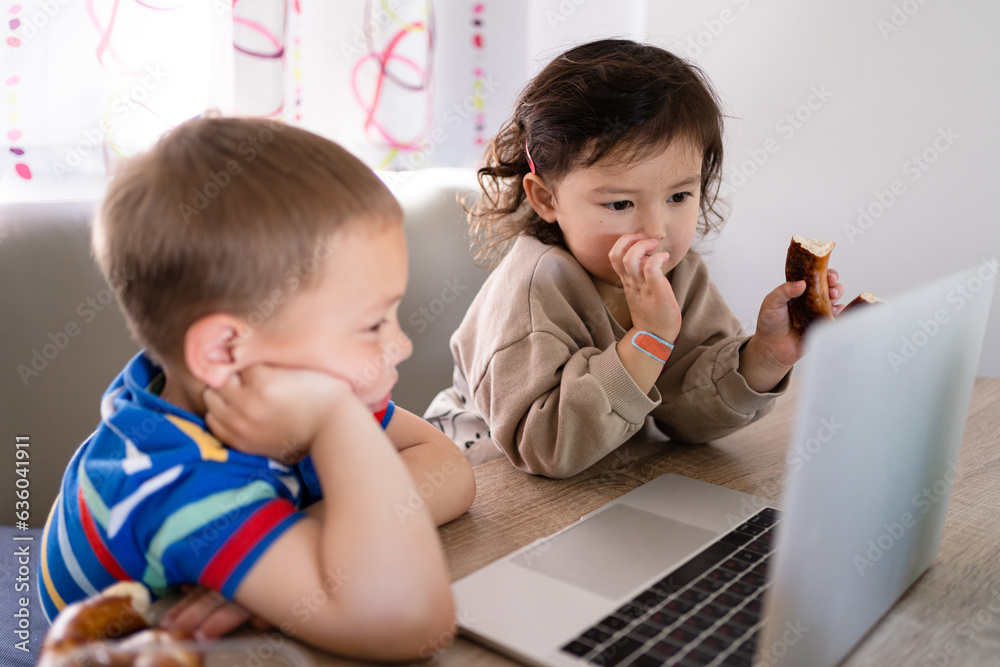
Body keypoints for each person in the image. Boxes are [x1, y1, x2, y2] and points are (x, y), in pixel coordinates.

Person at [38, 116, 476, 661]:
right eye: (372, 324)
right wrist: (337, 425)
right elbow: (414, 626)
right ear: (225, 351)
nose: (402, 344)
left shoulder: (268, 385)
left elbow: (449, 467)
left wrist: (308, 543)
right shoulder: (175, 485)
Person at [424, 39, 843, 477]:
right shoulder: (536, 286)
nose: (655, 230)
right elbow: (547, 448)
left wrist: (764, 357)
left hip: (602, 480)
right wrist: (650, 338)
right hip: (482, 478)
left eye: (679, 196)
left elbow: (687, 417)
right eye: (621, 204)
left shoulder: (680, 275)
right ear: (546, 199)